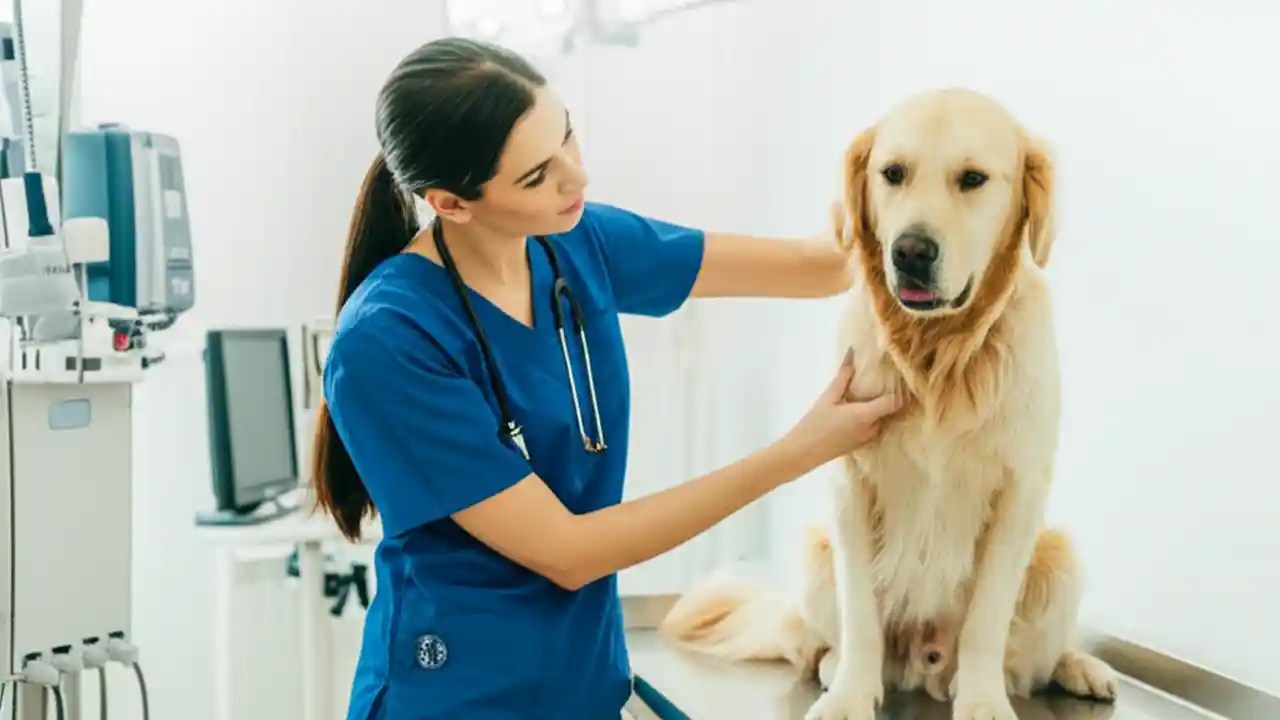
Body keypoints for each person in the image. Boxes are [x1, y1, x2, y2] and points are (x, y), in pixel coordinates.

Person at [311, 36, 903, 720]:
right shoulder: (387, 340)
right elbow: (568, 551)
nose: (576, 179)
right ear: (450, 203)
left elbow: (818, 266)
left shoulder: (577, 243)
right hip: (456, 695)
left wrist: (906, 177)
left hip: (583, 685)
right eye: (536, 176)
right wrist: (797, 451)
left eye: (569, 138)